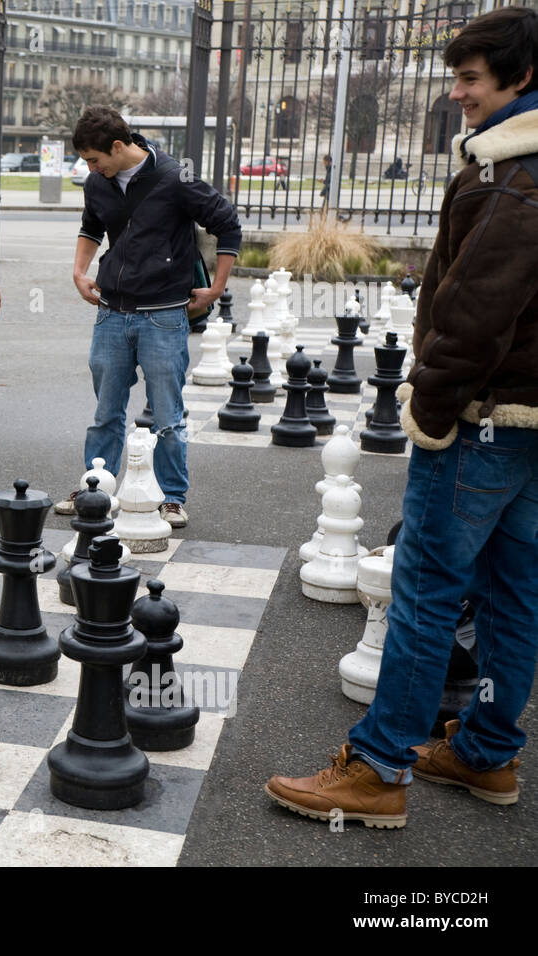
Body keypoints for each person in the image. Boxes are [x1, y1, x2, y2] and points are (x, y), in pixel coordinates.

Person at [266, 5, 538, 829]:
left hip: (484, 419)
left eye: (470, 80)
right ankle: (487, 753)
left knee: (425, 592)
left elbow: (477, 312)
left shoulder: (511, 177)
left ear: (521, 79)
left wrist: (432, 408)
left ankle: (379, 768)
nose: (458, 94)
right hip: (532, 421)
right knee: (513, 594)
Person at [60, 106, 241, 527]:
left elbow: (227, 223)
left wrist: (216, 287)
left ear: (118, 146)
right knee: (106, 411)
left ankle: (172, 496)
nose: (90, 168)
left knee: (167, 416)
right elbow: (92, 227)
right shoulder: (97, 183)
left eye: (94, 159)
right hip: (111, 313)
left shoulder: (175, 177)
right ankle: (97, 485)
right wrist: (79, 271)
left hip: (163, 315)